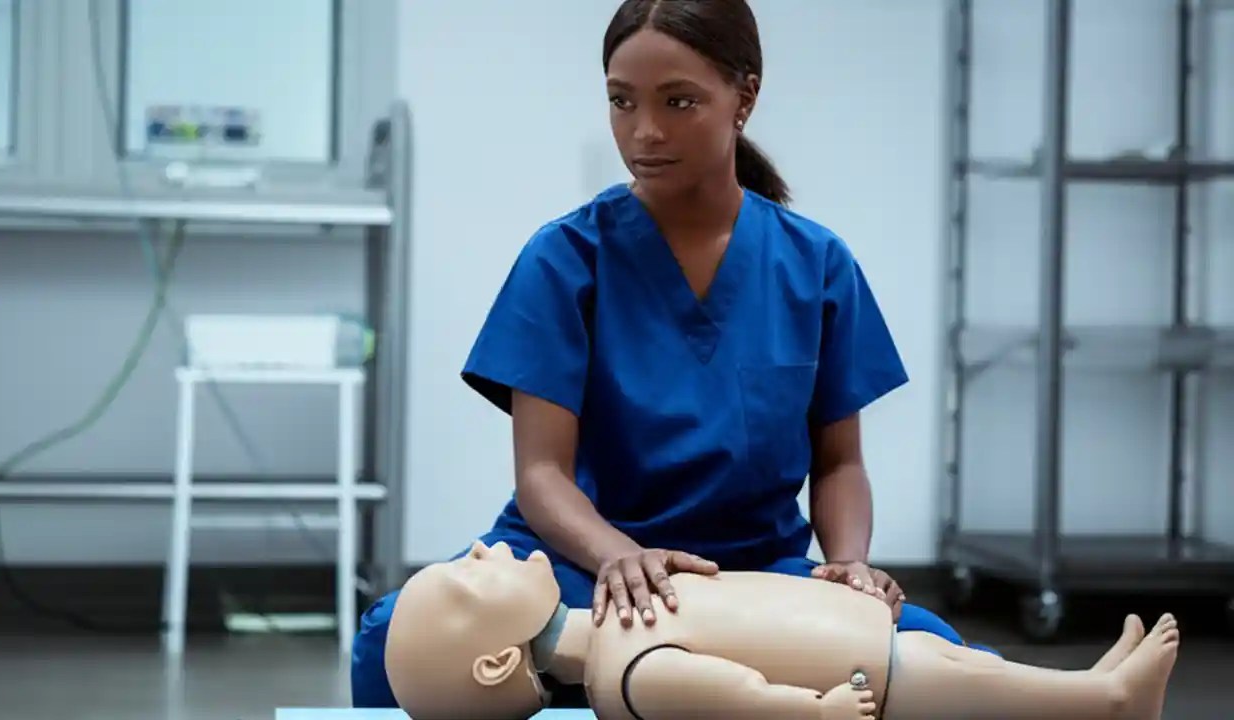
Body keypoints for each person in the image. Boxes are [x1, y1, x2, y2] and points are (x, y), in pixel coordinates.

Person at [352, 0, 992, 707]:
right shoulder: (564, 259)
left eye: (678, 102)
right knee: (391, 642)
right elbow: (541, 474)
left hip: (753, 574)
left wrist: (848, 568)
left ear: (744, 97)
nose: (645, 131)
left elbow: (839, 463)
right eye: (621, 102)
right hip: (584, 566)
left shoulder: (816, 265)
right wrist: (619, 556)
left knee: (939, 653)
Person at [382, 541, 1179, 720]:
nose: (479, 550)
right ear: (494, 664)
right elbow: (735, 694)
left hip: (861, 638)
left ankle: (1090, 687)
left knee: (969, 668)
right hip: (867, 676)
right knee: (976, 681)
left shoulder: (617, 606)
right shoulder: (626, 676)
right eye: (466, 578)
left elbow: (735, 604)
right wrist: (815, 712)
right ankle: (1110, 703)